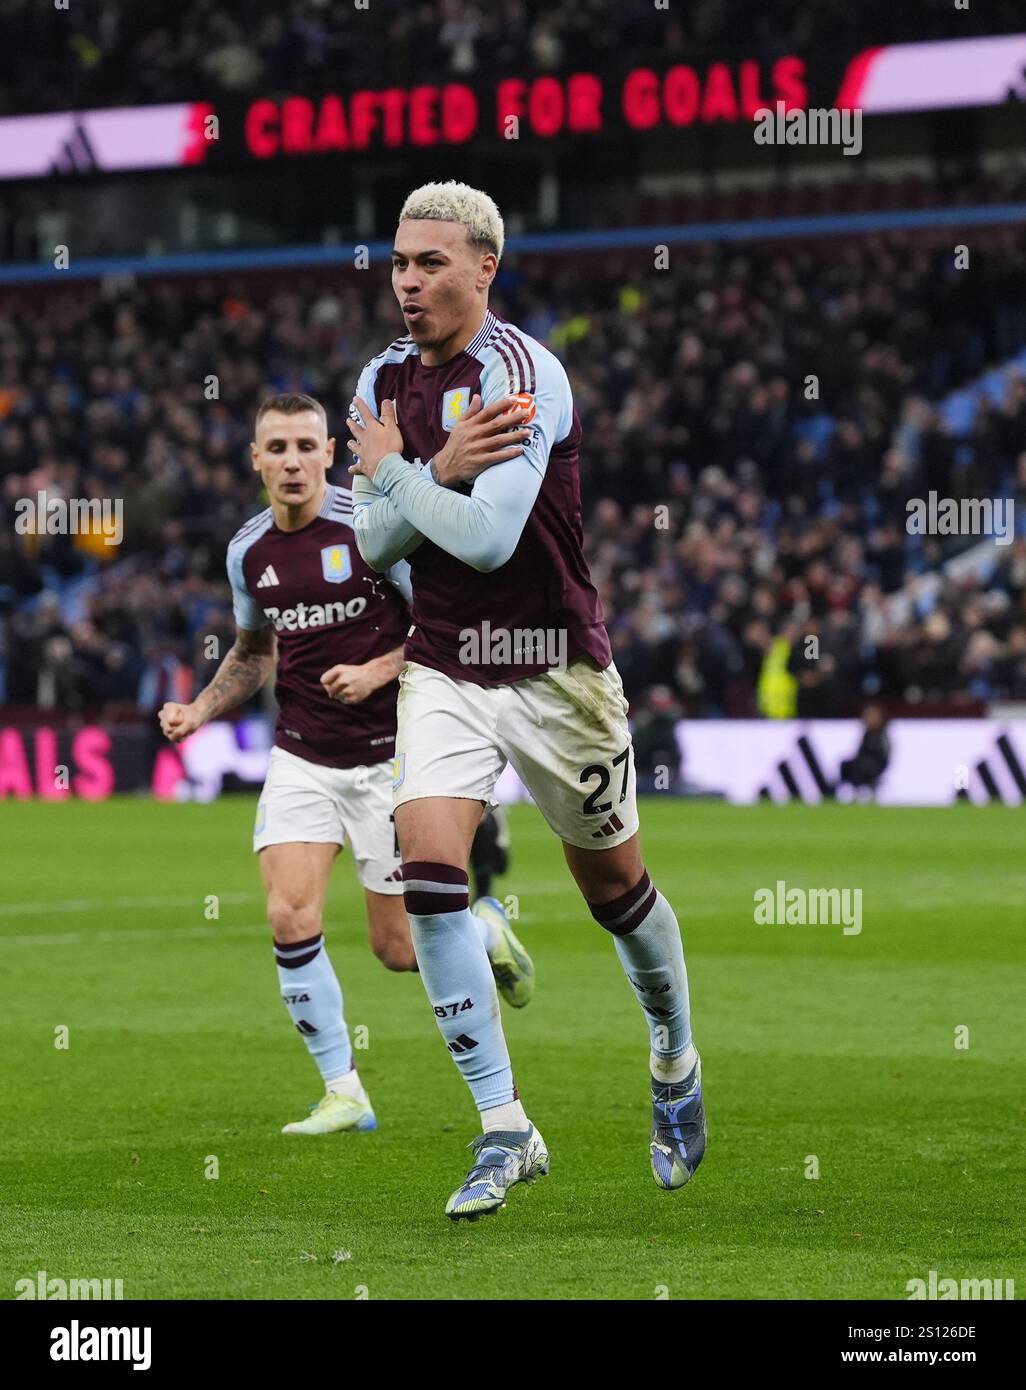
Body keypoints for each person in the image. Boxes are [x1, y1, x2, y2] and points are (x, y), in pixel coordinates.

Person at [347, 181, 705, 1220]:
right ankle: (505, 1128)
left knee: (616, 893)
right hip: (448, 664)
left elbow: (488, 539)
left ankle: (675, 1059)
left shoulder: (523, 373)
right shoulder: (377, 379)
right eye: (400, 264)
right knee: (427, 878)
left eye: (431, 265)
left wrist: (414, 475)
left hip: (556, 668)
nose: (408, 283)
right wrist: (432, 472)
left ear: (485, 268)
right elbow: (370, 545)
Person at [159, 392, 534, 1137]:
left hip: (391, 761)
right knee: (287, 912)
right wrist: (199, 710)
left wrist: (374, 672)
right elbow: (253, 651)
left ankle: (483, 927)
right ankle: (344, 1090)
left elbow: (439, 626)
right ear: (257, 460)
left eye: (307, 446)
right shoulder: (248, 552)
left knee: (399, 950)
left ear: (330, 452)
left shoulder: (368, 528)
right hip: (302, 755)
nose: (293, 461)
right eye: (278, 448)